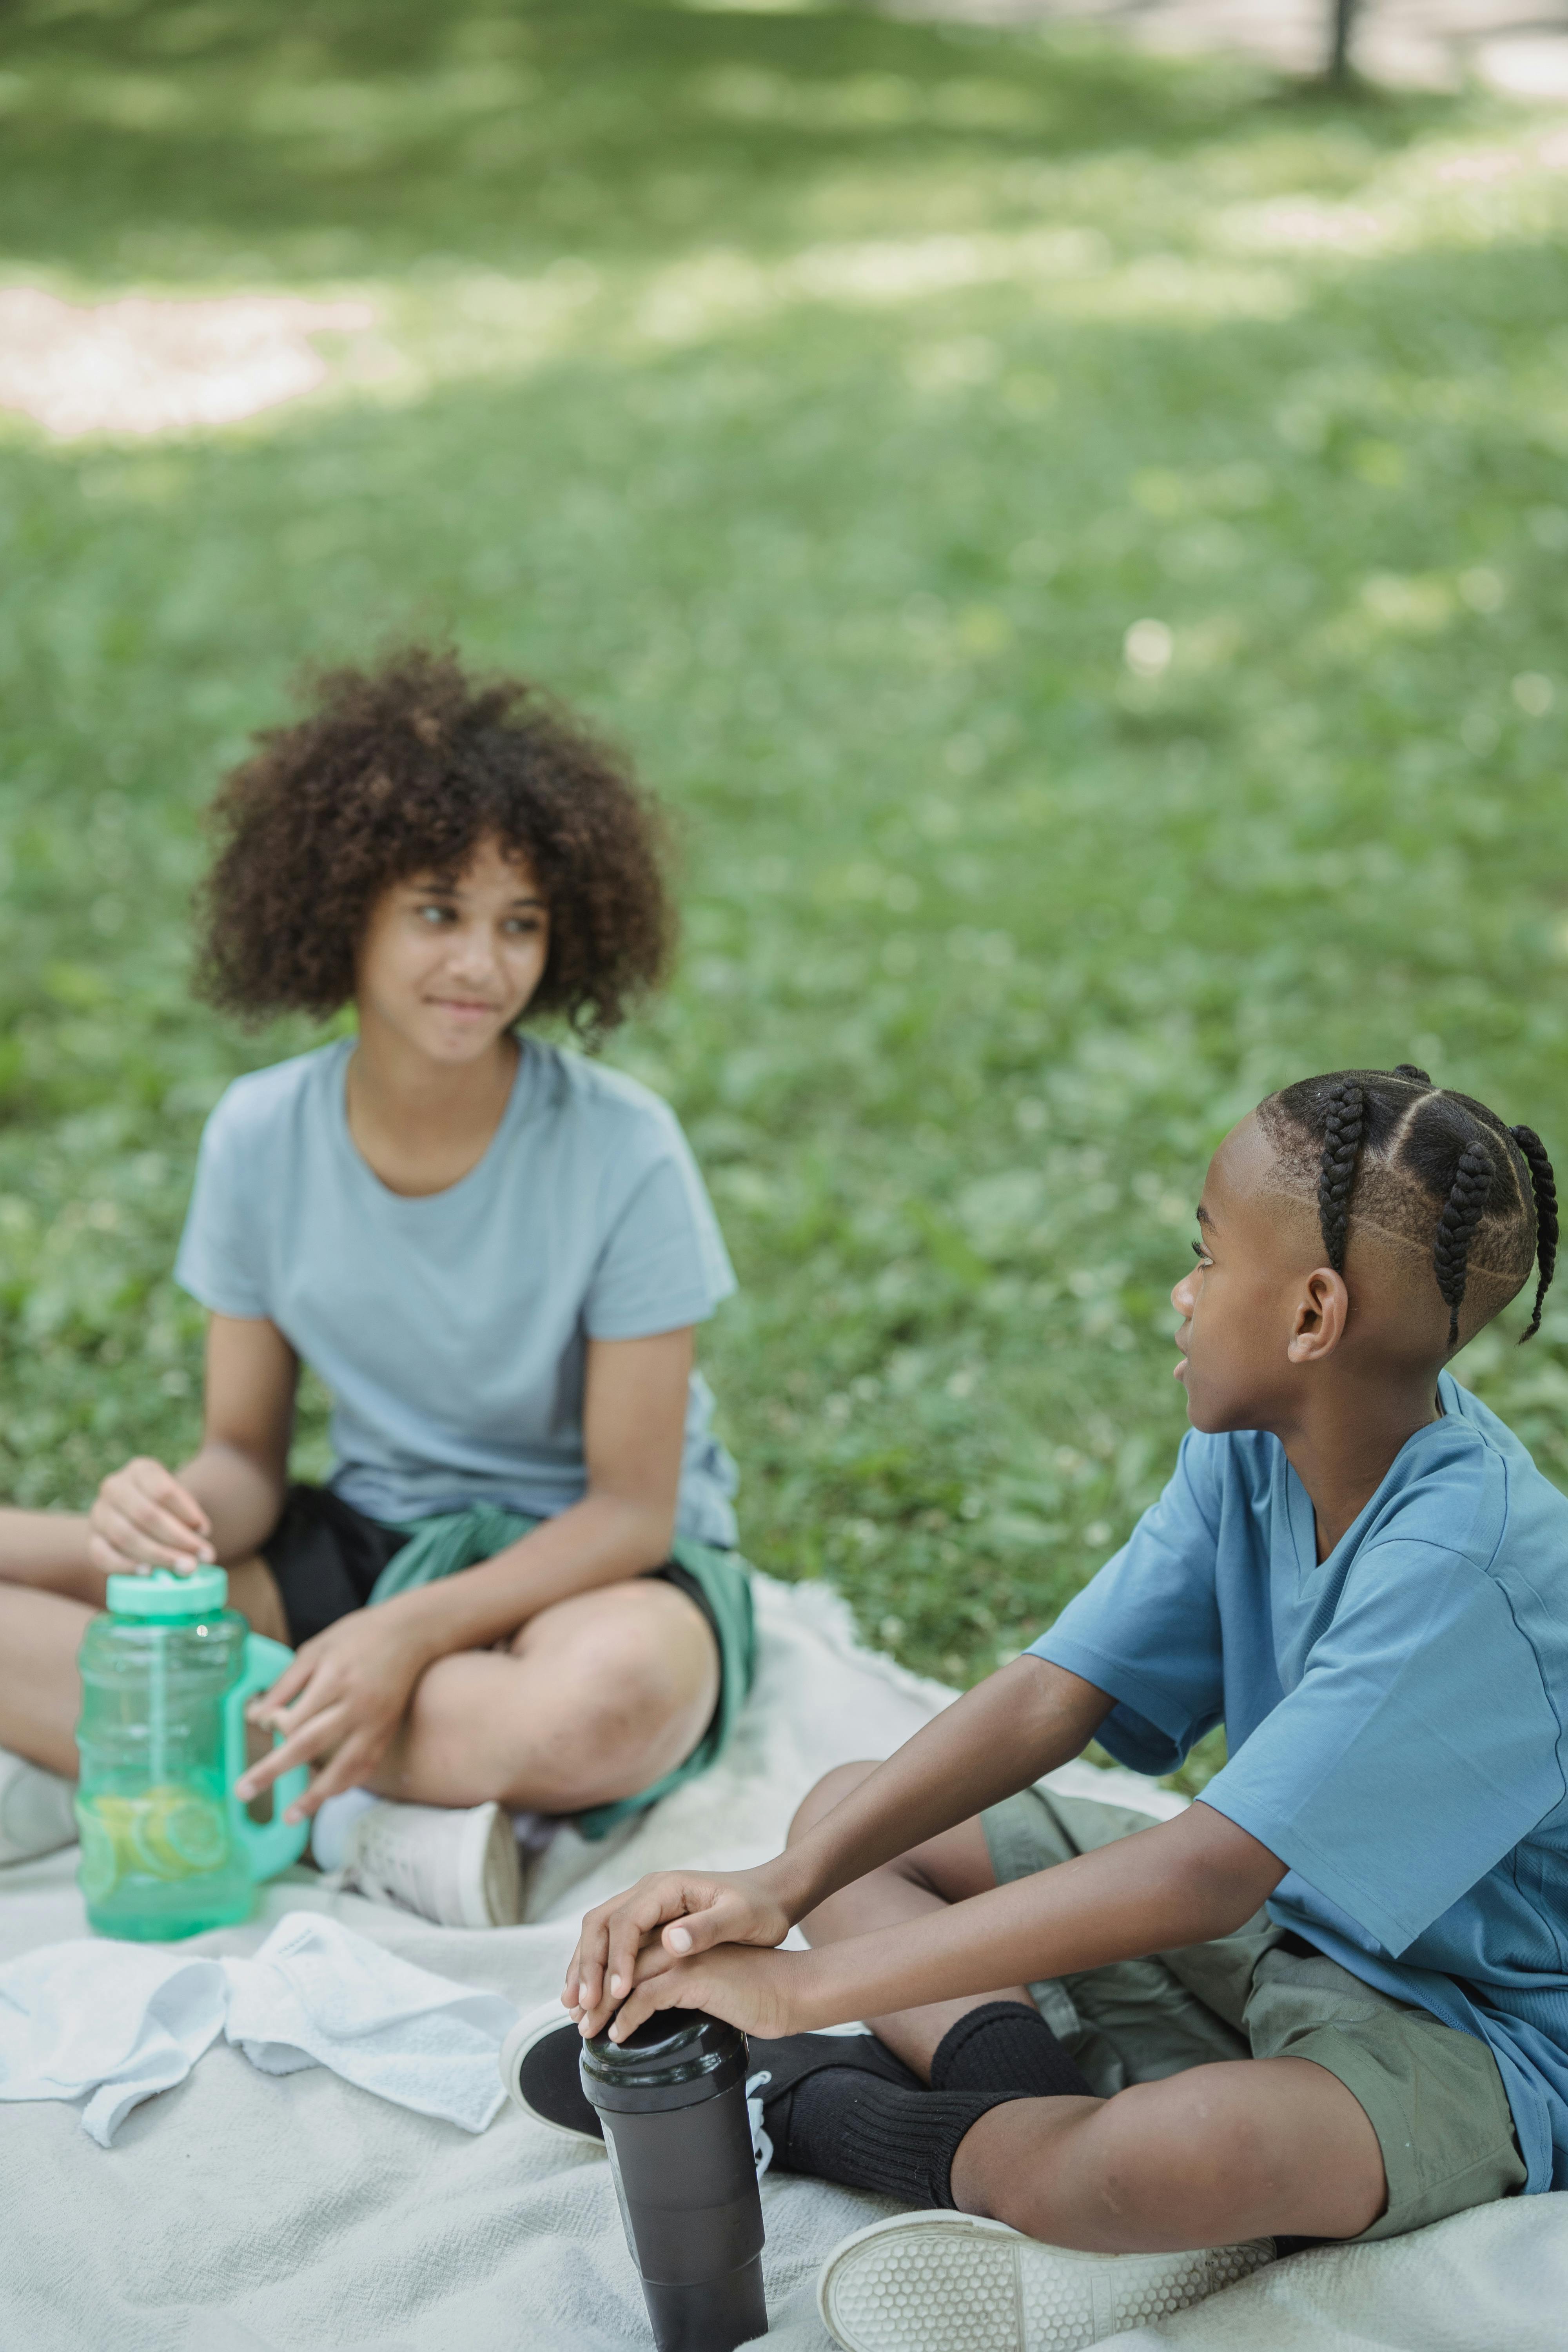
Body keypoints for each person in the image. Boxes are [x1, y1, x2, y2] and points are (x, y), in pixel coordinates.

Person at [525, 1066, 1567, 2352]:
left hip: (1479, 2031)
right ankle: (1019, 2095)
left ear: (1312, 1315)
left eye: (1204, 1254)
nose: (1180, 1293)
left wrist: (808, 1994)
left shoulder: (1467, 1566)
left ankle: (821, 2112)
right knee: (847, 1810)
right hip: (1287, 1938)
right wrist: (780, 1890)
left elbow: (1206, 1875)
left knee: (1176, 2157)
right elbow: (1052, 1695)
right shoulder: (1256, 1448)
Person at [0, 648, 754, 1927]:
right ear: (341, 905)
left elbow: (632, 1511)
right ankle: (359, 1797)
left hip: (592, 1574)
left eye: (521, 923)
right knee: (62, 1571)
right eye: (439, 911)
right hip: (364, 1541)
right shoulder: (258, 1135)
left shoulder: (624, 1146)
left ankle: (210, 1749)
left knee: (599, 1706)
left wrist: (406, 1639)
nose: (483, 962)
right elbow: (243, 1458)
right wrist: (166, 1514)